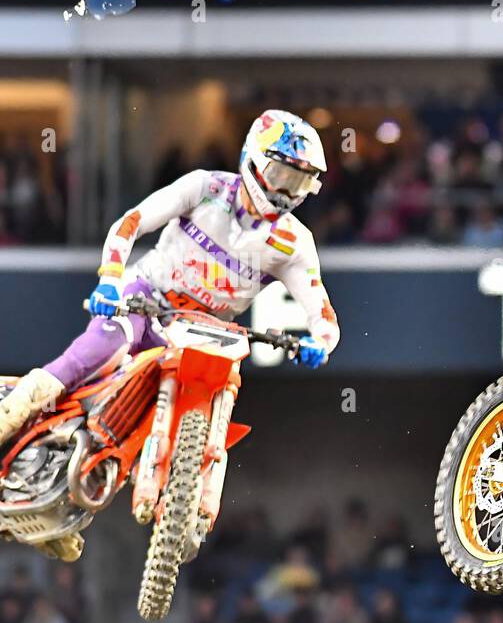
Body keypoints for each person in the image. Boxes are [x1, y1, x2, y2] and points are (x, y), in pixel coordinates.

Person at [0, 109, 340, 447]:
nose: (287, 192)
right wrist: (110, 279)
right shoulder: (205, 187)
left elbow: (322, 313)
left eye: (299, 182)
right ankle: (15, 409)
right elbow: (132, 222)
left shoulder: (295, 243)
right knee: (102, 348)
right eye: (281, 175)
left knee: (216, 388)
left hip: (206, 335)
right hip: (145, 300)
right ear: (253, 160)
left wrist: (320, 344)